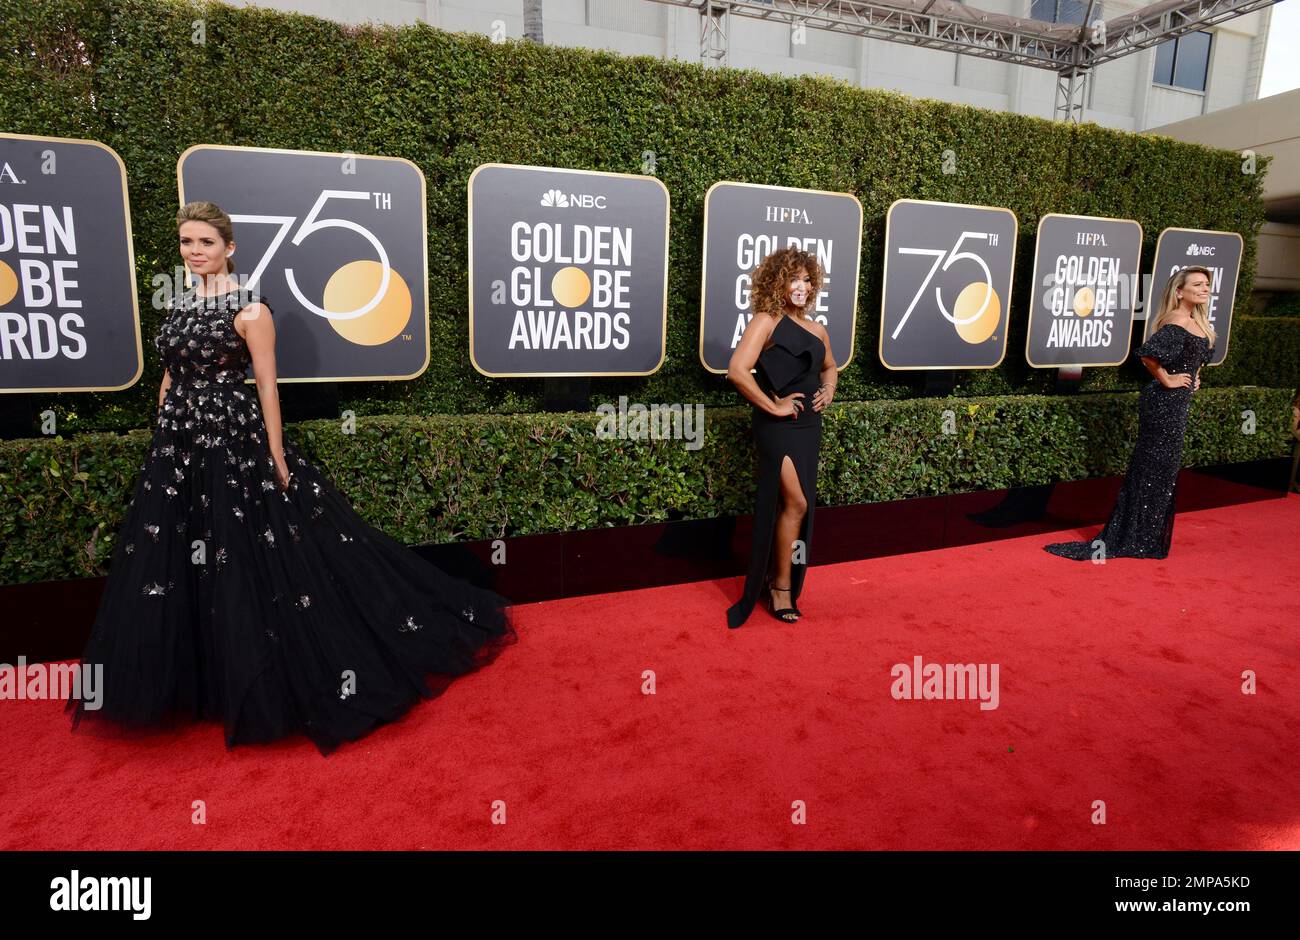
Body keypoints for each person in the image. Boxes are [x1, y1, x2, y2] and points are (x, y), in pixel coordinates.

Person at [66, 201, 515, 754]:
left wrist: (275, 453)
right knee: (177, 559)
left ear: (229, 247)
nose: (194, 252)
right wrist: (162, 431)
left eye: (205, 242)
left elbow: (267, 386)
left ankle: (268, 678)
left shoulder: (251, 309)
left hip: (234, 441)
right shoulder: (178, 307)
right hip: (176, 448)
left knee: (248, 554)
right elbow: (169, 376)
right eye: (186, 242)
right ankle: (199, 680)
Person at [1044, 265, 1216, 561]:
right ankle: (1133, 537)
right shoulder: (1176, 319)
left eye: (1206, 285)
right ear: (1179, 291)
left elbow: (1199, 358)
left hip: (1178, 404)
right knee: (1152, 468)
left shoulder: (1198, 322)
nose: (1204, 289)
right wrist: (1168, 379)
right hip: (1163, 403)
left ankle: (1144, 537)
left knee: (1163, 471)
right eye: (1197, 284)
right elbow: (1148, 355)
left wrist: (1195, 376)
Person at [725, 247, 835, 626]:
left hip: (809, 427)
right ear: (778, 282)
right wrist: (772, 407)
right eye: (794, 278)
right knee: (798, 503)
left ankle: (780, 579)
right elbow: (738, 370)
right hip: (778, 427)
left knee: (798, 506)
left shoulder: (817, 328)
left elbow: (830, 366)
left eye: (807, 279)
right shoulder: (766, 320)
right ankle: (780, 589)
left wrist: (830, 388)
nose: (801, 286)